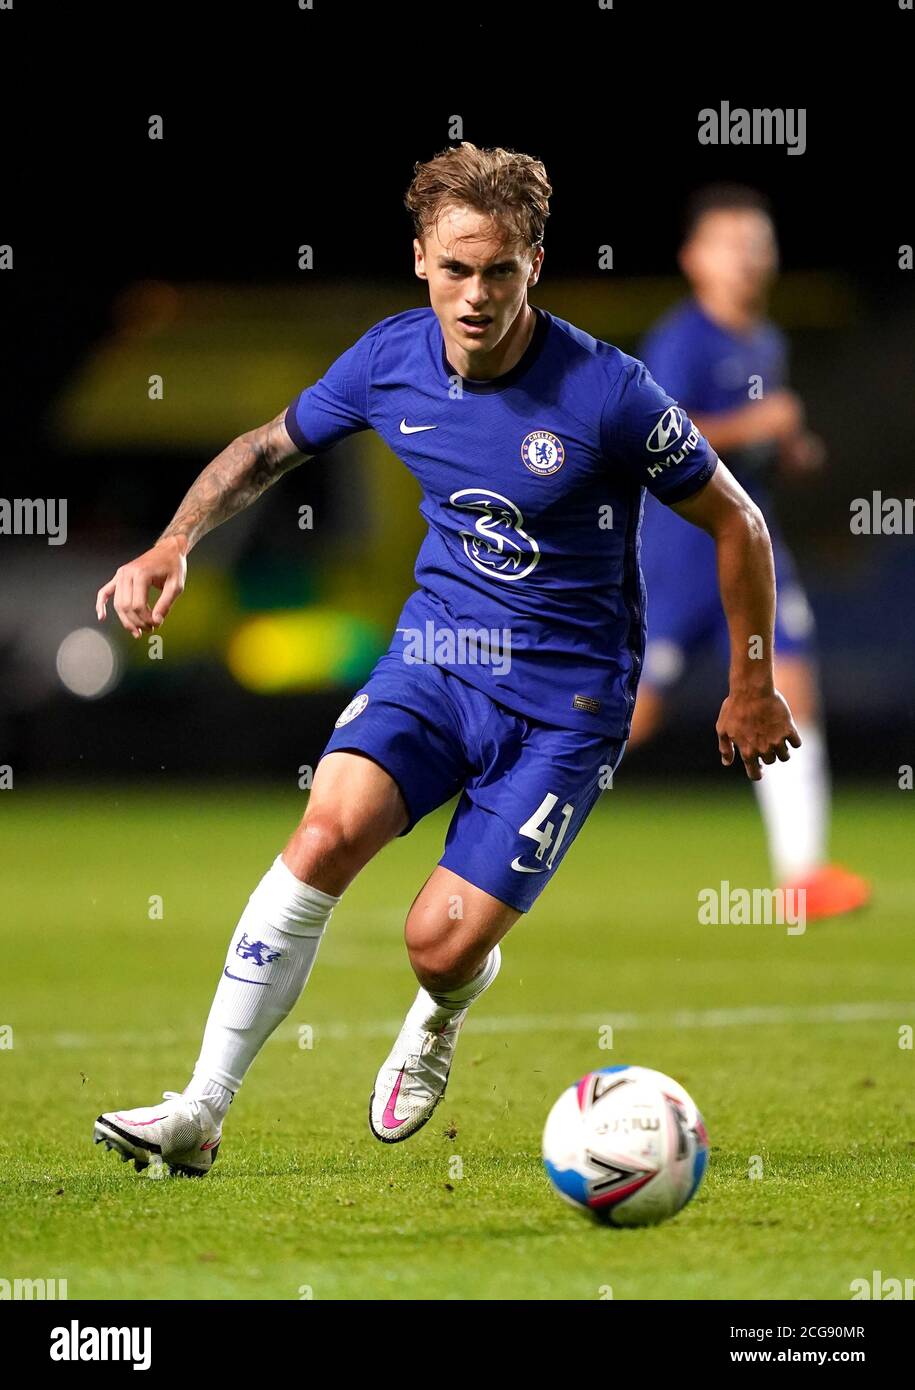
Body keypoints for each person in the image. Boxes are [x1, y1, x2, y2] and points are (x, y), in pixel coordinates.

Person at [93, 145, 799, 1177]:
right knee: (326, 830)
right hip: (435, 660)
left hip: (568, 706)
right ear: (421, 258)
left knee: (438, 942)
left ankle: (435, 1018)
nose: (477, 295)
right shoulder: (388, 361)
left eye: (501, 270)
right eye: (456, 268)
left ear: (536, 266)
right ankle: (198, 1110)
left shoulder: (609, 391)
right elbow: (263, 449)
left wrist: (749, 680)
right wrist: (173, 541)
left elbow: (738, 522)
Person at [631, 184, 869, 921]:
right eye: (729, 243)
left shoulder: (763, 339)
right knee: (629, 715)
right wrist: (761, 419)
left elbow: (748, 435)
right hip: (680, 554)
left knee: (792, 688)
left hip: (753, 548)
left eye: (756, 243)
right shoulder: (683, 338)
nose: (746, 258)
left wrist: (785, 444)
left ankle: (802, 873)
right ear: (693, 259)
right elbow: (656, 438)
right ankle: (494, 801)